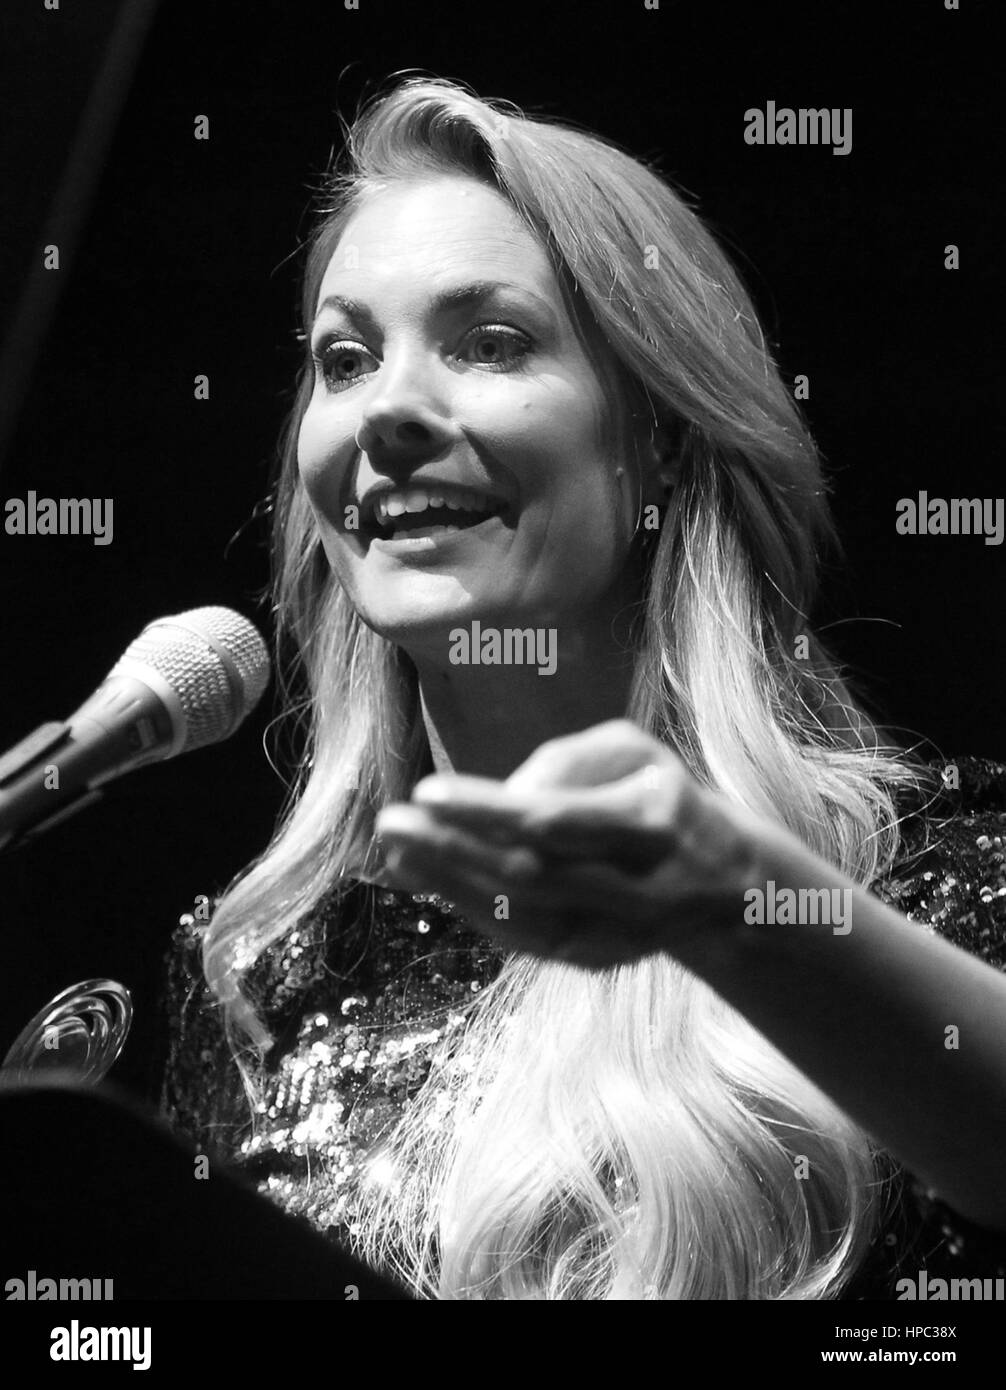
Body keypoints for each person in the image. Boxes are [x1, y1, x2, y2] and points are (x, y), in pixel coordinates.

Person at [159, 76, 1006, 1300]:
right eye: (344, 359)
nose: (389, 408)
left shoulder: (915, 878)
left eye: (489, 343)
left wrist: (726, 902)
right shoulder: (260, 971)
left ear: (659, 434)